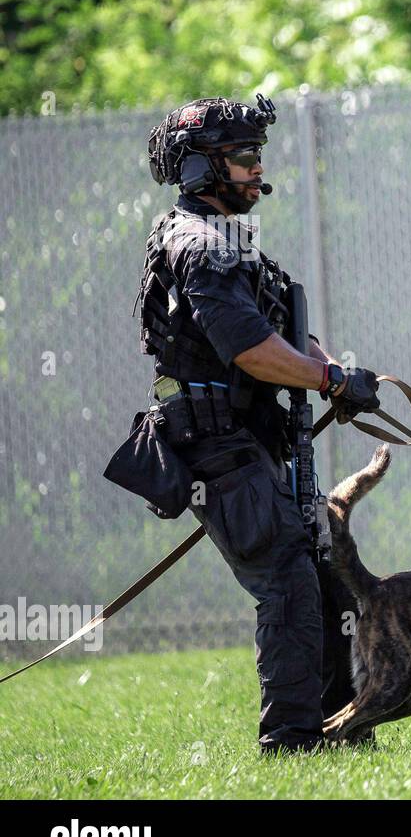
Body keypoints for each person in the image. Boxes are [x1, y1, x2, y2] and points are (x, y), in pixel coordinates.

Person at [135, 95, 382, 749]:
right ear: (196, 170)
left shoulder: (234, 243)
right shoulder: (199, 244)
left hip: (253, 439)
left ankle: (343, 727)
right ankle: (294, 739)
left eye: (257, 155)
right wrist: (328, 378)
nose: (257, 168)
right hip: (215, 447)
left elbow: (286, 330)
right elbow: (250, 349)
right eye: (243, 156)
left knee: (327, 577)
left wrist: (339, 376)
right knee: (287, 578)